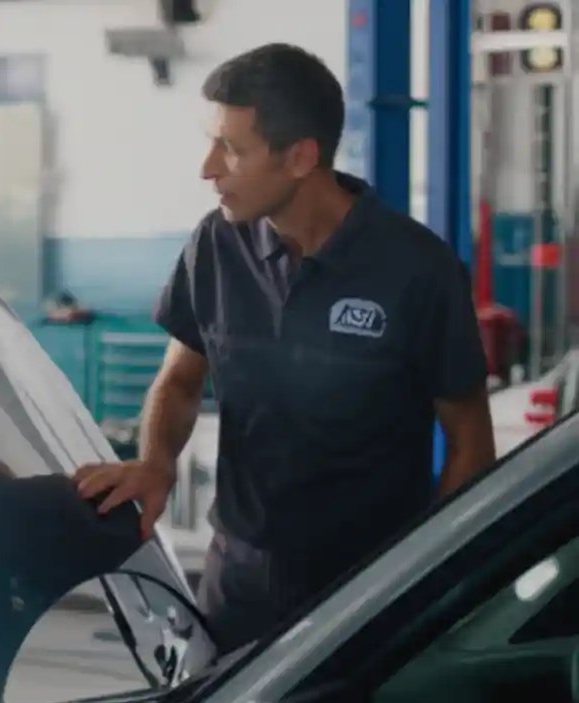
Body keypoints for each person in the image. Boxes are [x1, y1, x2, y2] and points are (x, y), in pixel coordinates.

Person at [74, 43, 497, 654]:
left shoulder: (418, 271)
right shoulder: (216, 246)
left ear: (301, 157)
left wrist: (425, 576)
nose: (207, 168)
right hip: (237, 579)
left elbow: (470, 443)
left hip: (366, 586)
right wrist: (157, 462)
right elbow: (180, 380)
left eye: (232, 149)